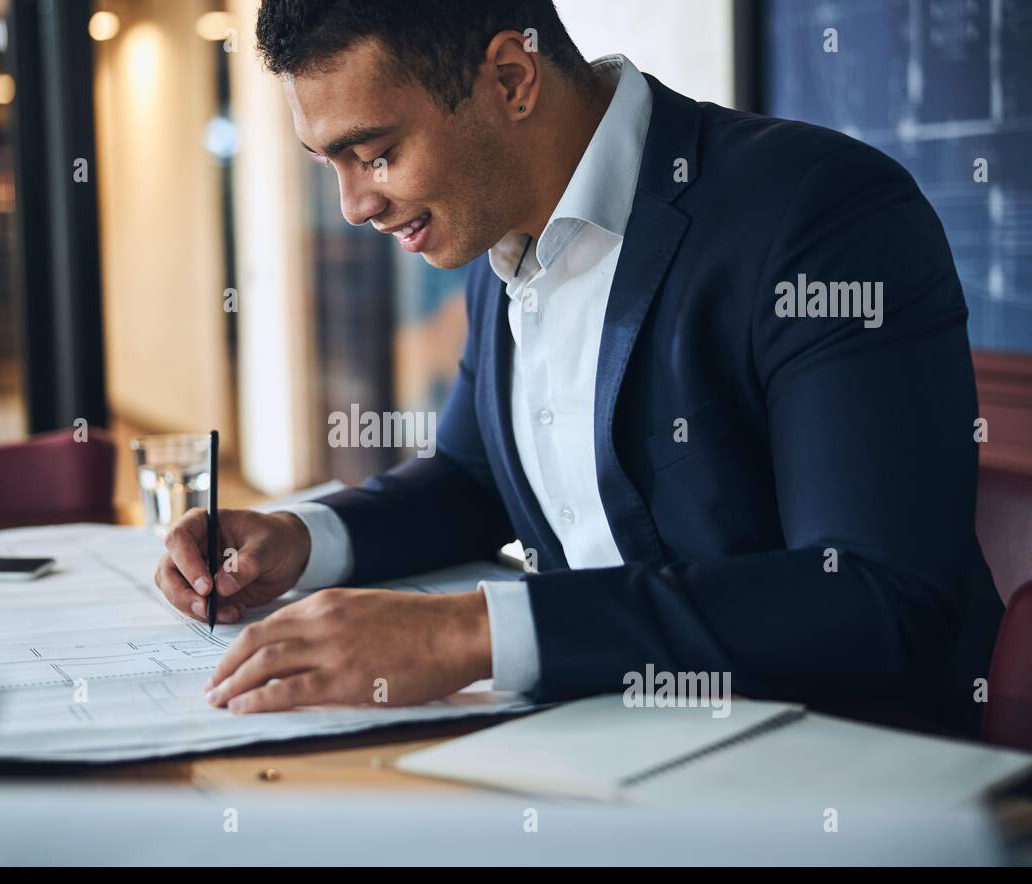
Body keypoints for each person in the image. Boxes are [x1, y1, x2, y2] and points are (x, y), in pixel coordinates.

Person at [154, 0, 1002, 736]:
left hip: (840, 766)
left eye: (374, 153)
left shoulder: (821, 211)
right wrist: (301, 539)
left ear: (512, 79)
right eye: (329, 164)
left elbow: (874, 596)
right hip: (595, 741)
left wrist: (467, 636)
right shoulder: (495, 227)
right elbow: (471, 475)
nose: (355, 204)